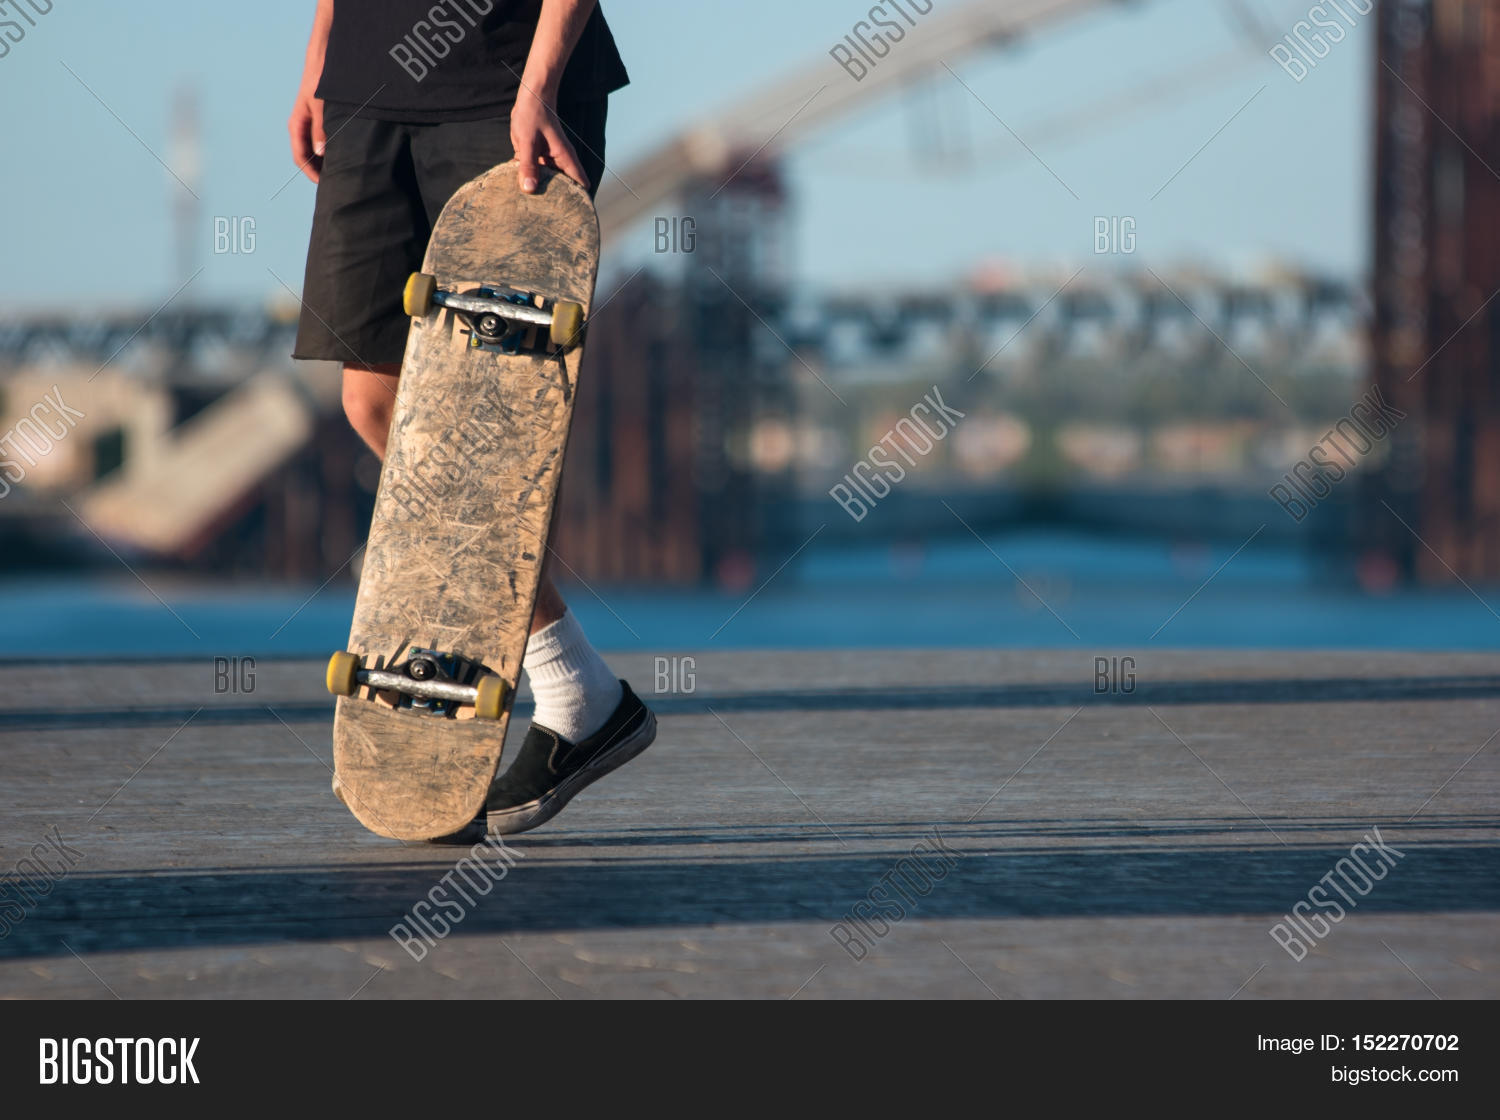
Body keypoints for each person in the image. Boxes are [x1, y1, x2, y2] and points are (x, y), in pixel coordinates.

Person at [288, 0, 654, 836]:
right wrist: (320, 61)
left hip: (501, 83)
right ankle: (582, 690)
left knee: (481, 423)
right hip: (365, 85)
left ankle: (571, 689)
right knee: (373, 403)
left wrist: (540, 83)